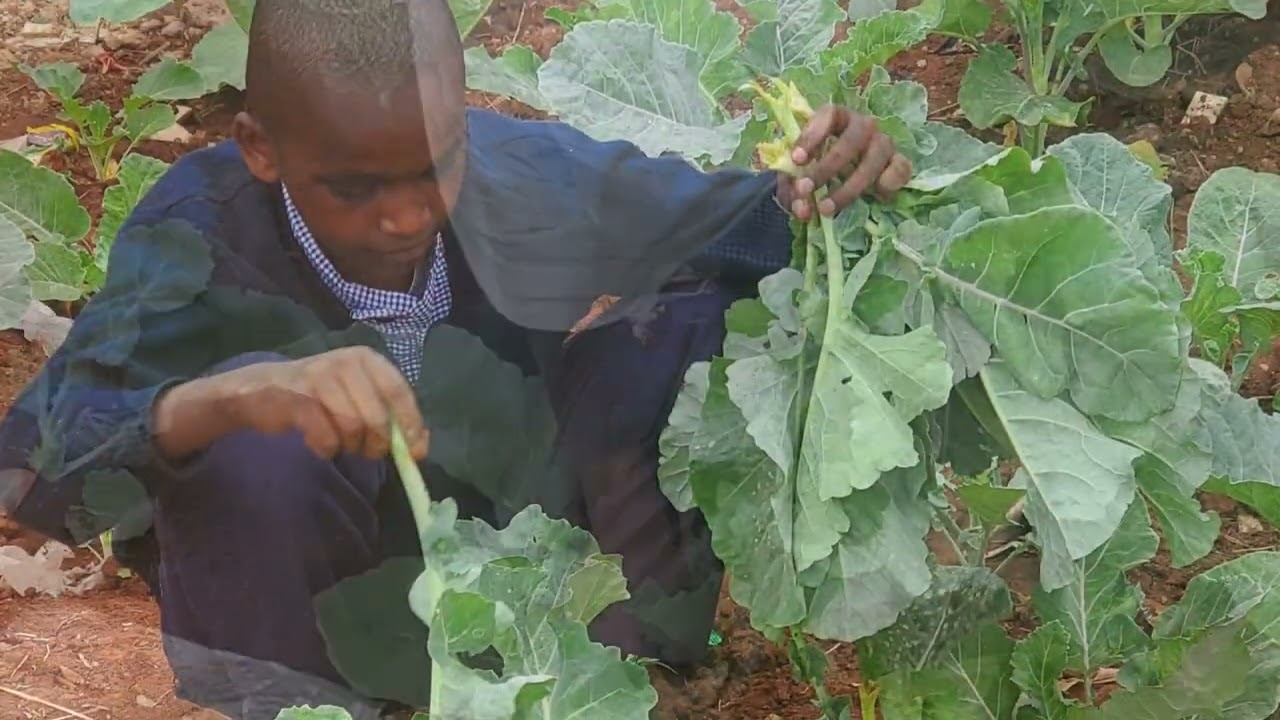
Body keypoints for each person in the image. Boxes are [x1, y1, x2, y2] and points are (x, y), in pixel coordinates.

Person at [0, 0, 912, 718]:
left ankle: (622, 678)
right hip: (315, 582)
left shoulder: (524, 175)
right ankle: (309, 710)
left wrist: (829, 177)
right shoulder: (197, 230)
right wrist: (232, 398)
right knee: (254, 456)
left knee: (683, 327)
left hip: (520, 556)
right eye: (354, 188)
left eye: (437, 165)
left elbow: (744, 222)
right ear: (262, 150)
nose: (405, 215)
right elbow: (31, 467)